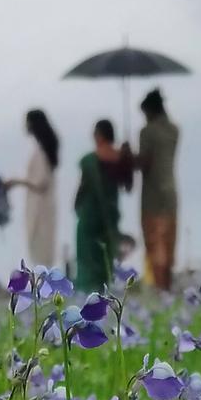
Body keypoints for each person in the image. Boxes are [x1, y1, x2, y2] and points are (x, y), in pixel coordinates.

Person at [74, 120, 131, 293]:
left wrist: (77, 207)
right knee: (106, 257)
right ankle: (105, 294)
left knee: (88, 258)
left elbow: (82, 188)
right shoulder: (120, 158)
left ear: (99, 135)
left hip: (90, 215)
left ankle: (88, 297)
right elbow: (128, 185)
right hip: (110, 216)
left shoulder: (89, 160)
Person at [133, 87, 180, 291]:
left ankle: (161, 288)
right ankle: (167, 286)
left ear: (150, 111)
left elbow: (144, 162)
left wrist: (128, 156)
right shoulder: (174, 130)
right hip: (170, 192)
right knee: (169, 242)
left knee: (155, 243)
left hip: (151, 196)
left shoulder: (147, 132)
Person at [3, 109, 60, 271]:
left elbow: (41, 183)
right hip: (40, 204)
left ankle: (44, 286)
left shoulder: (42, 152)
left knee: (41, 247)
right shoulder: (42, 150)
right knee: (40, 247)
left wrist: (16, 182)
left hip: (41, 206)